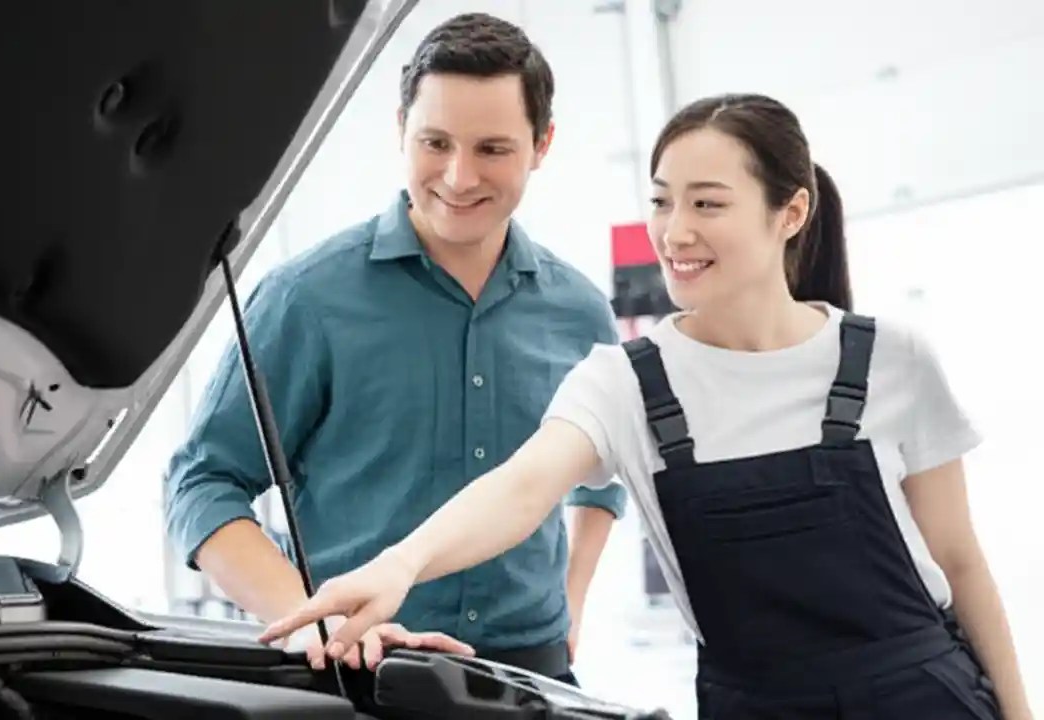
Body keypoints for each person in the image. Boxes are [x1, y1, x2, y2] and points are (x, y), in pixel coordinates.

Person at [259, 93, 1036, 719]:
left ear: (789, 213)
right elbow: (522, 488)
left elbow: (962, 561)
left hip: (921, 695)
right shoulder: (628, 381)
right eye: (663, 202)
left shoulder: (890, 357)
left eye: (708, 204)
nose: (676, 232)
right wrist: (402, 563)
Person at [164, 12, 628, 685]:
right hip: (354, 669)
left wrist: (573, 600)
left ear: (542, 144)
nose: (459, 177)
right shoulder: (306, 298)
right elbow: (201, 483)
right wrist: (308, 617)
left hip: (534, 676)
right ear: (400, 132)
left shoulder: (580, 312)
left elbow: (602, 478)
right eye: (435, 142)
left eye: (493, 149)